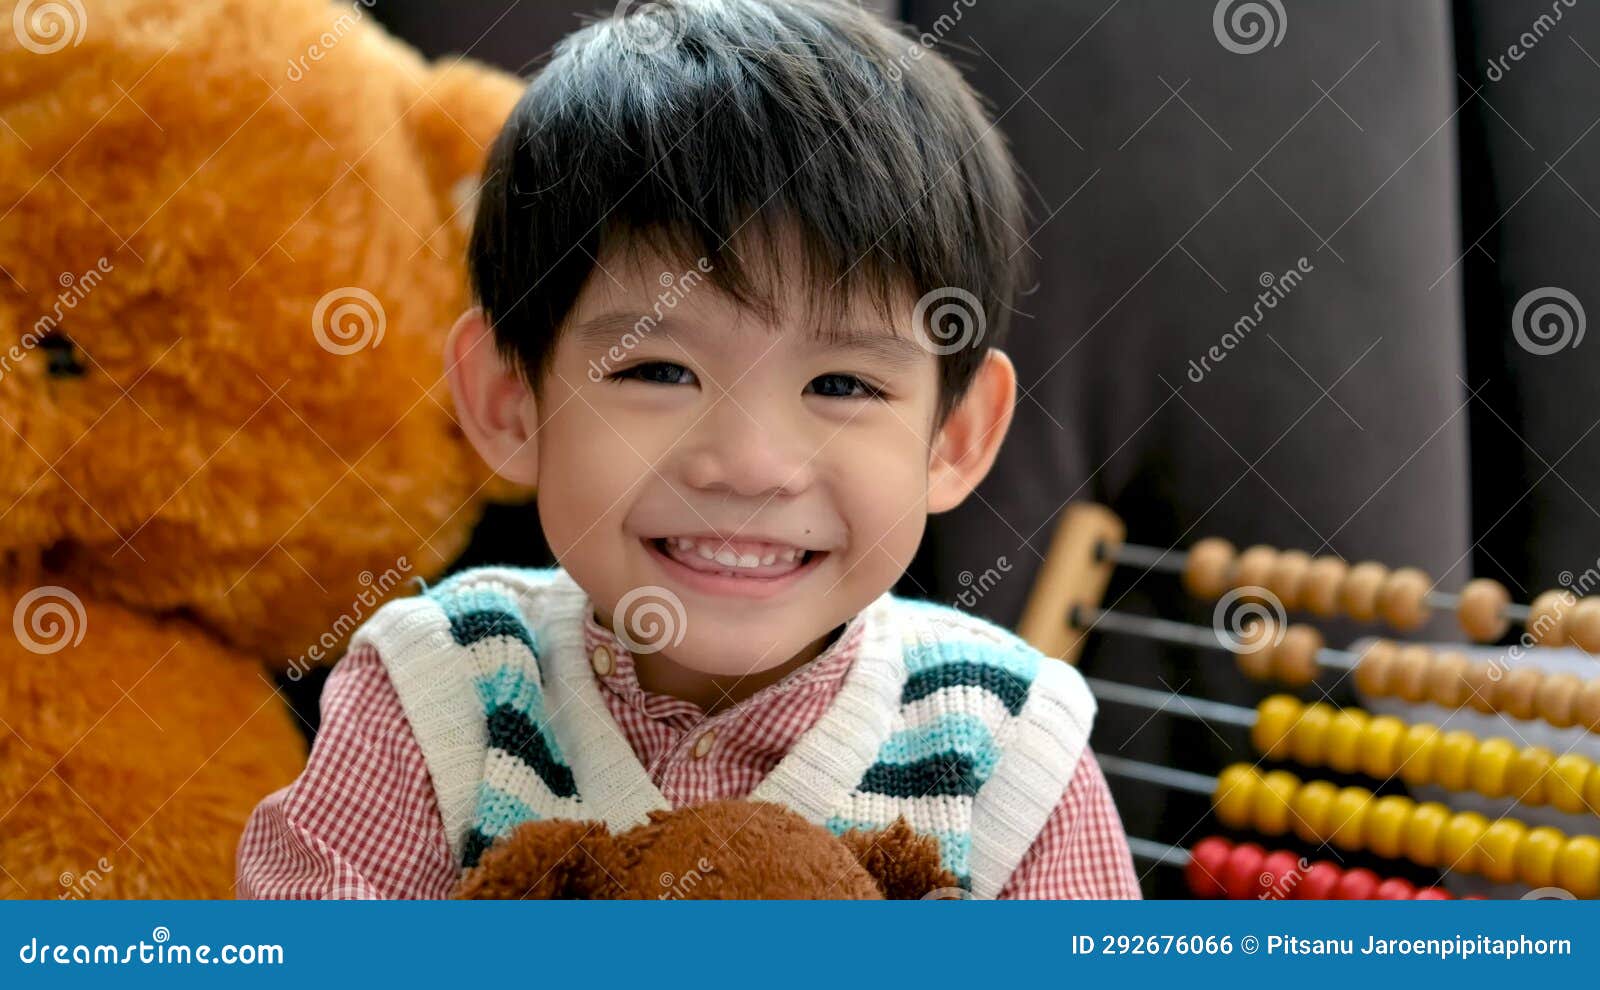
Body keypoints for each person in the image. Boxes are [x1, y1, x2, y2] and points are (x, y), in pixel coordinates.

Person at [237, 0, 1138, 899]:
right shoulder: (435, 697)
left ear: (955, 436)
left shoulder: (1014, 756)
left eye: (841, 386)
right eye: (660, 371)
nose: (748, 466)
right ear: (510, 404)